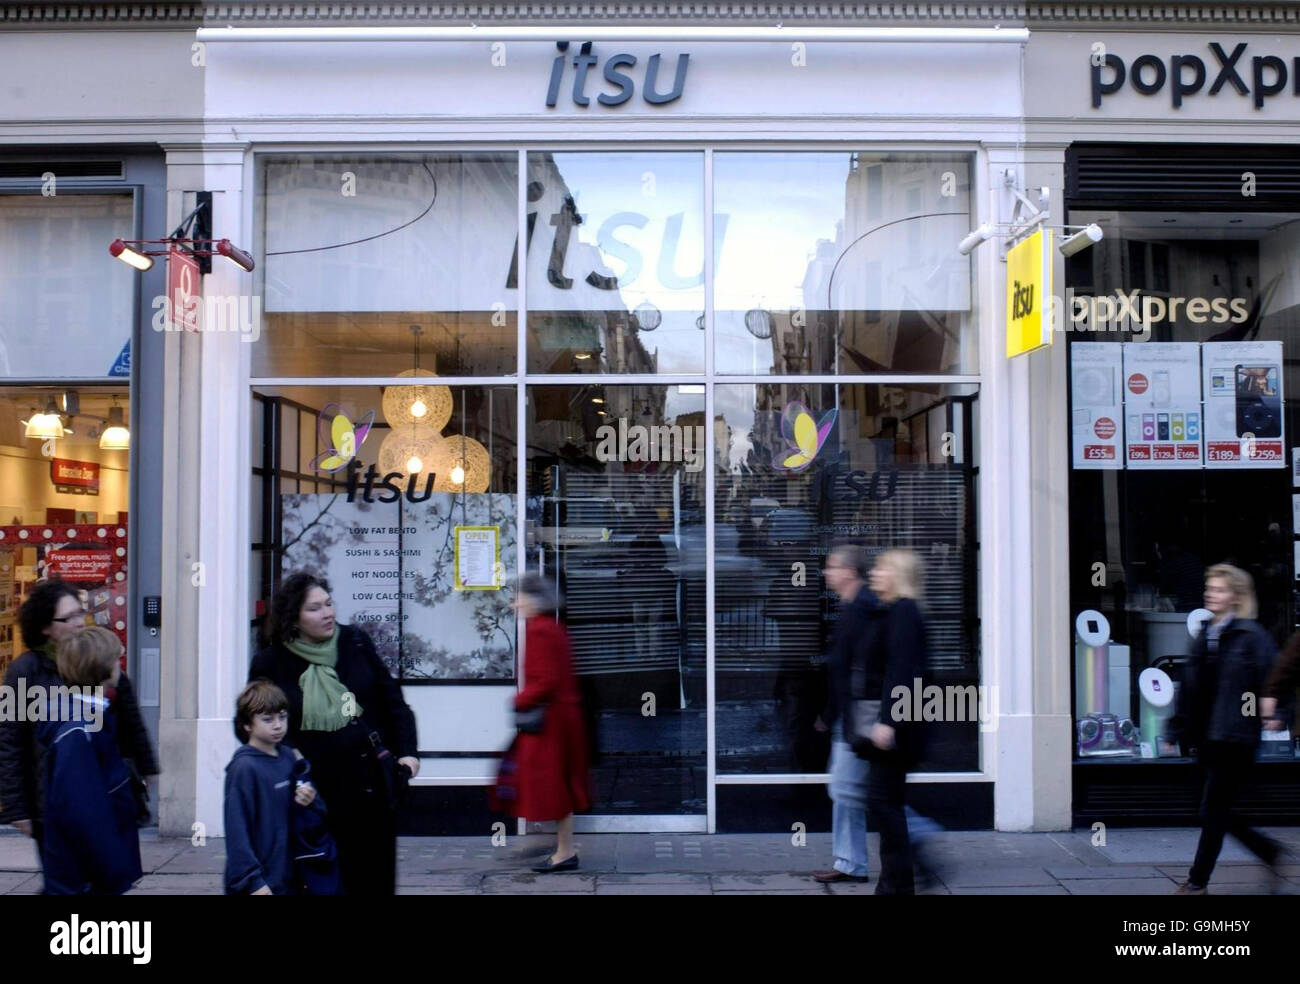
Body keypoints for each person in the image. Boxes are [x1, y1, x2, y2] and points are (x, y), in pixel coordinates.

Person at [249, 573, 418, 896]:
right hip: (311, 796)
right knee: (319, 881)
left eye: (328, 604)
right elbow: (247, 725)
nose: (327, 613)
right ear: (294, 618)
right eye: (314, 608)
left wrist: (408, 754)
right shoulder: (272, 662)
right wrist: (287, 759)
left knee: (372, 879)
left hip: (368, 788)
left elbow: (392, 701)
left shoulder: (354, 642)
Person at [0, 580, 157, 877]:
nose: (78, 623)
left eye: (79, 614)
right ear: (46, 626)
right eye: (68, 617)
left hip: (106, 795)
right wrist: (16, 808)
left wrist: (147, 768)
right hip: (51, 801)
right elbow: (9, 741)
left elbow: (130, 721)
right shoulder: (25, 670)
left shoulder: (101, 660)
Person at [1172, 564, 1283, 895]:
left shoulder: (1251, 635)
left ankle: (1196, 883)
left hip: (1235, 736)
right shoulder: (1206, 632)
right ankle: (1268, 850)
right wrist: (1178, 724)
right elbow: (1191, 685)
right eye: (1209, 587)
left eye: (1219, 589)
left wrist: (1278, 710)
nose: (1210, 593)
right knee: (1215, 812)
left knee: (1213, 810)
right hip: (1205, 736)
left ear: (1235, 597)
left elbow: (1276, 677)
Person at [40, 627, 143, 895]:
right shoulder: (79, 730)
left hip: (92, 875)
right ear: (103, 667)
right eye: (115, 658)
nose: (119, 663)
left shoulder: (91, 720)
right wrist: (113, 869)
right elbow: (84, 811)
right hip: (88, 878)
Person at [853, 549, 929, 895]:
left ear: (898, 575)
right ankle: (896, 884)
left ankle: (896, 886)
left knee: (883, 802)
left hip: (898, 728)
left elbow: (902, 672)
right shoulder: (892, 611)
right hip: (898, 723)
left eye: (883, 568)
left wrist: (888, 722)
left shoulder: (903, 612)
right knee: (886, 802)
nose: (875, 573)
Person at [508, 574, 589, 873]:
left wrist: (518, 701)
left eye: (519, 597)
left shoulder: (540, 630)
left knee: (551, 784)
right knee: (560, 784)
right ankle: (563, 849)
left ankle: (563, 852)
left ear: (533, 599)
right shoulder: (553, 628)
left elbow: (546, 681)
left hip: (550, 724)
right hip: (562, 719)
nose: (514, 602)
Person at [224, 679, 330, 896]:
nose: (277, 725)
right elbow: (237, 831)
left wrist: (310, 801)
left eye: (282, 717)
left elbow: (316, 813)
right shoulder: (244, 768)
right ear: (247, 725)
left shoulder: (289, 758)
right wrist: (252, 882)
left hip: (290, 878)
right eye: (267, 719)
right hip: (260, 884)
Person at [812, 542, 877, 884]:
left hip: (862, 715)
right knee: (848, 790)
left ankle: (918, 840)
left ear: (849, 571)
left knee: (849, 789)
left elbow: (862, 667)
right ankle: (851, 862)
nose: (826, 572)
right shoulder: (854, 606)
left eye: (832, 567)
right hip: (852, 715)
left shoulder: (865, 608)